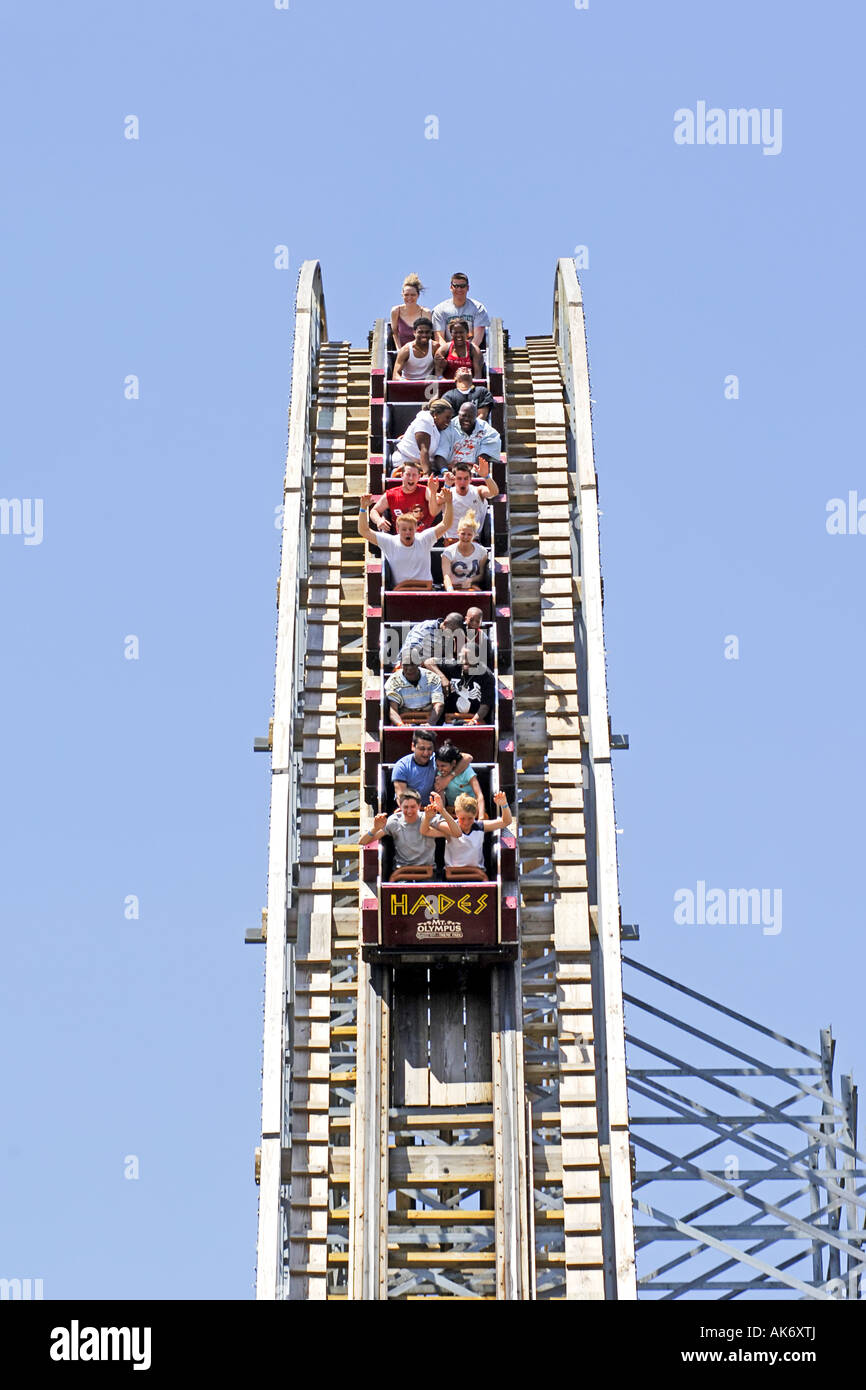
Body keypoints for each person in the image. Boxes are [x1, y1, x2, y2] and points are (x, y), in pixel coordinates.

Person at [358, 490, 454, 590]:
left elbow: (446, 524)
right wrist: (363, 509)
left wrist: (449, 502)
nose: (408, 532)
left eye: (410, 529)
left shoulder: (424, 539)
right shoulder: (389, 542)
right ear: (397, 529)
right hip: (399, 594)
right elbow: (364, 531)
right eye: (404, 529)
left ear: (416, 528)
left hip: (425, 592)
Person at [359, 789, 436, 882]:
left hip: (426, 872)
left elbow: (454, 832)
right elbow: (363, 842)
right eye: (406, 807)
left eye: (413, 807)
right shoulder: (394, 821)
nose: (409, 811)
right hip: (402, 873)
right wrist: (375, 828)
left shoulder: (428, 818)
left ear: (419, 806)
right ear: (400, 806)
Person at [435, 791, 513, 882]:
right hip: (454, 875)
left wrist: (504, 804)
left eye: (470, 818)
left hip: (476, 875)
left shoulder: (479, 827)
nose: (466, 822)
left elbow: (506, 821)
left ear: (475, 815)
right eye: (462, 819)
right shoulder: (450, 828)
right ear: (456, 815)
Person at [392, 727, 469, 804]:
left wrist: (448, 778)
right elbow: (401, 798)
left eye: (429, 749)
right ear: (413, 746)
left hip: (434, 809)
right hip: (410, 810)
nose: (426, 753)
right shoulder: (402, 767)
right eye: (422, 749)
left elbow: (467, 758)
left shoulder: (437, 760)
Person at [369, 465, 442, 533]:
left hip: (423, 537)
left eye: (414, 475)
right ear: (401, 476)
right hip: (400, 539)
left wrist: (434, 492)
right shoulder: (391, 495)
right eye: (408, 474)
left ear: (419, 477)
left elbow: (436, 505)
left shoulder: (426, 491)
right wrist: (379, 520)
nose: (411, 478)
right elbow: (374, 511)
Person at [389, 400, 453, 475]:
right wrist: (427, 475)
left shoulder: (439, 428)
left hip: (421, 468)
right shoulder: (425, 420)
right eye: (447, 418)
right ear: (436, 414)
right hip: (405, 466)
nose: (449, 421)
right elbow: (424, 450)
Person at [398, 612, 466, 682]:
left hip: (430, 668)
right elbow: (409, 654)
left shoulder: (448, 635)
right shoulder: (426, 629)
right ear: (445, 624)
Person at [440, 403, 502, 479]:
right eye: (463, 415)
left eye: (470, 416)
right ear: (458, 414)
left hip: (475, 472)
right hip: (451, 473)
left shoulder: (486, 430)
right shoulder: (448, 428)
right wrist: (445, 472)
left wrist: (473, 471)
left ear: (476, 416)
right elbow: (440, 454)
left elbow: (485, 454)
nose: (466, 419)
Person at [441, 462, 499, 540]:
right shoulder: (447, 492)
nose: (462, 482)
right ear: (454, 478)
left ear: (470, 478)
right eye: (459, 478)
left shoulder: (478, 491)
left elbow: (494, 492)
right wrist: (447, 485)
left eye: (466, 478)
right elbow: (435, 505)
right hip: (451, 540)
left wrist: (486, 476)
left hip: (472, 539)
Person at [432, 272, 490, 349]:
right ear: (451, 287)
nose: (459, 289)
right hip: (449, 352)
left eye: (462, 286)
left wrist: (468, 353)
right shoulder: (440, 310)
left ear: (468, 288)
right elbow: (439, 337)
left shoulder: (478, 308)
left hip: (472, 350)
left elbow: (478, 337)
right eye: (456, 286)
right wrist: (451, 354)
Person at [384, 655, 444, 726]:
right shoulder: (393, 681)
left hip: (430, 716)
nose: (409, 668)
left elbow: (438, 705)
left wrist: (430, 724)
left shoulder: (433, 678)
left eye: (412, 664)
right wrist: (401, 725)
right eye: (406, 664)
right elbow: (393, 710)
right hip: (404, 716)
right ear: (401, 665)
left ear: (419, 664)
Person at [440, 650, 496, 724]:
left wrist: (473, 721)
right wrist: (443, 678)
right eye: (462, 657)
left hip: (476, 720)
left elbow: (485, 706)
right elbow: (429, 662)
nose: (465, 661)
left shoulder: (486, 676)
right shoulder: (453, 666)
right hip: (450, 718)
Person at [434, 742, 486, 820]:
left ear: (453, 763)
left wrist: (481, 819)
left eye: (443, 766)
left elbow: (479, 795)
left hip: (471, 810)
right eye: (438, 766)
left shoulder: (467, 772)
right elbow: (442, 801)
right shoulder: (440, 775)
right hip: (454, 810)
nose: (440, 769)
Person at [442, 513, 488, 591]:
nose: (466, 537)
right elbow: (446, 576)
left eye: (469, 534)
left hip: (472, 587)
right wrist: (450, 590)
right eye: (463, 534)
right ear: (458, 533)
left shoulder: (482, 551)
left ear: (474, 535)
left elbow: (481, 575)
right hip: (454, 587)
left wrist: (471, 580)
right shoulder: (448, 552)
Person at [390, 274, 432, 349]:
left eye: (413, 295)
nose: (409, 298)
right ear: (402, 295)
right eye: (406, 295)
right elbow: (395, 333)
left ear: (418, 295)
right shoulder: (396, 311)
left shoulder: (426, 313)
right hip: (403, 351)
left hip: (421, 351)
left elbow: (428, 335)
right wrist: (399, 349)